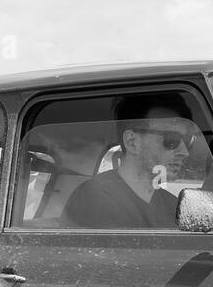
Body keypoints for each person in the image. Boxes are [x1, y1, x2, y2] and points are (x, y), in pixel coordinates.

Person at [65, 93, 198, 229]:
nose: (184, 152)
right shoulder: (92, 199)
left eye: (188, 141)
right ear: (132, 142)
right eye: (171, 139)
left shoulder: (172, 205)